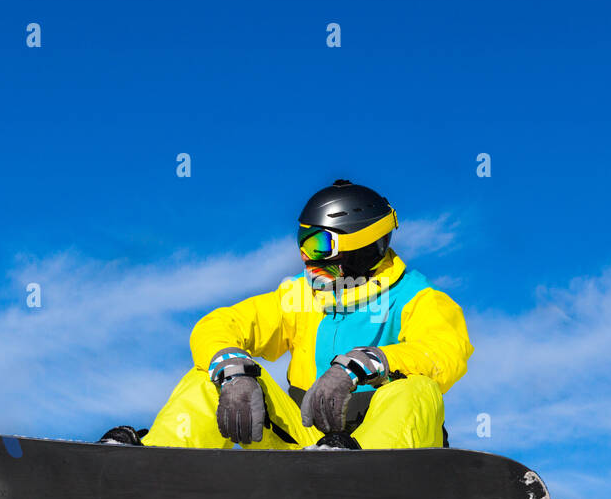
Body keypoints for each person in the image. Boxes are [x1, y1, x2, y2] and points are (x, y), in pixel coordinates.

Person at [100, 180, 473, 450]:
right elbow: (220, 324)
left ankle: (363, 478)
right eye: (302, 241)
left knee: (418, 389)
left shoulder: (418, 298)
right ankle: (153, 467)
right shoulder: (300, 295)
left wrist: (365, 364)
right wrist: (231, 368)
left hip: (382, 447)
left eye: (319, 243)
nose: (306, 256)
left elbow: (444, 352)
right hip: (306, 446)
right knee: (214, 375)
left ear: (360, 242)